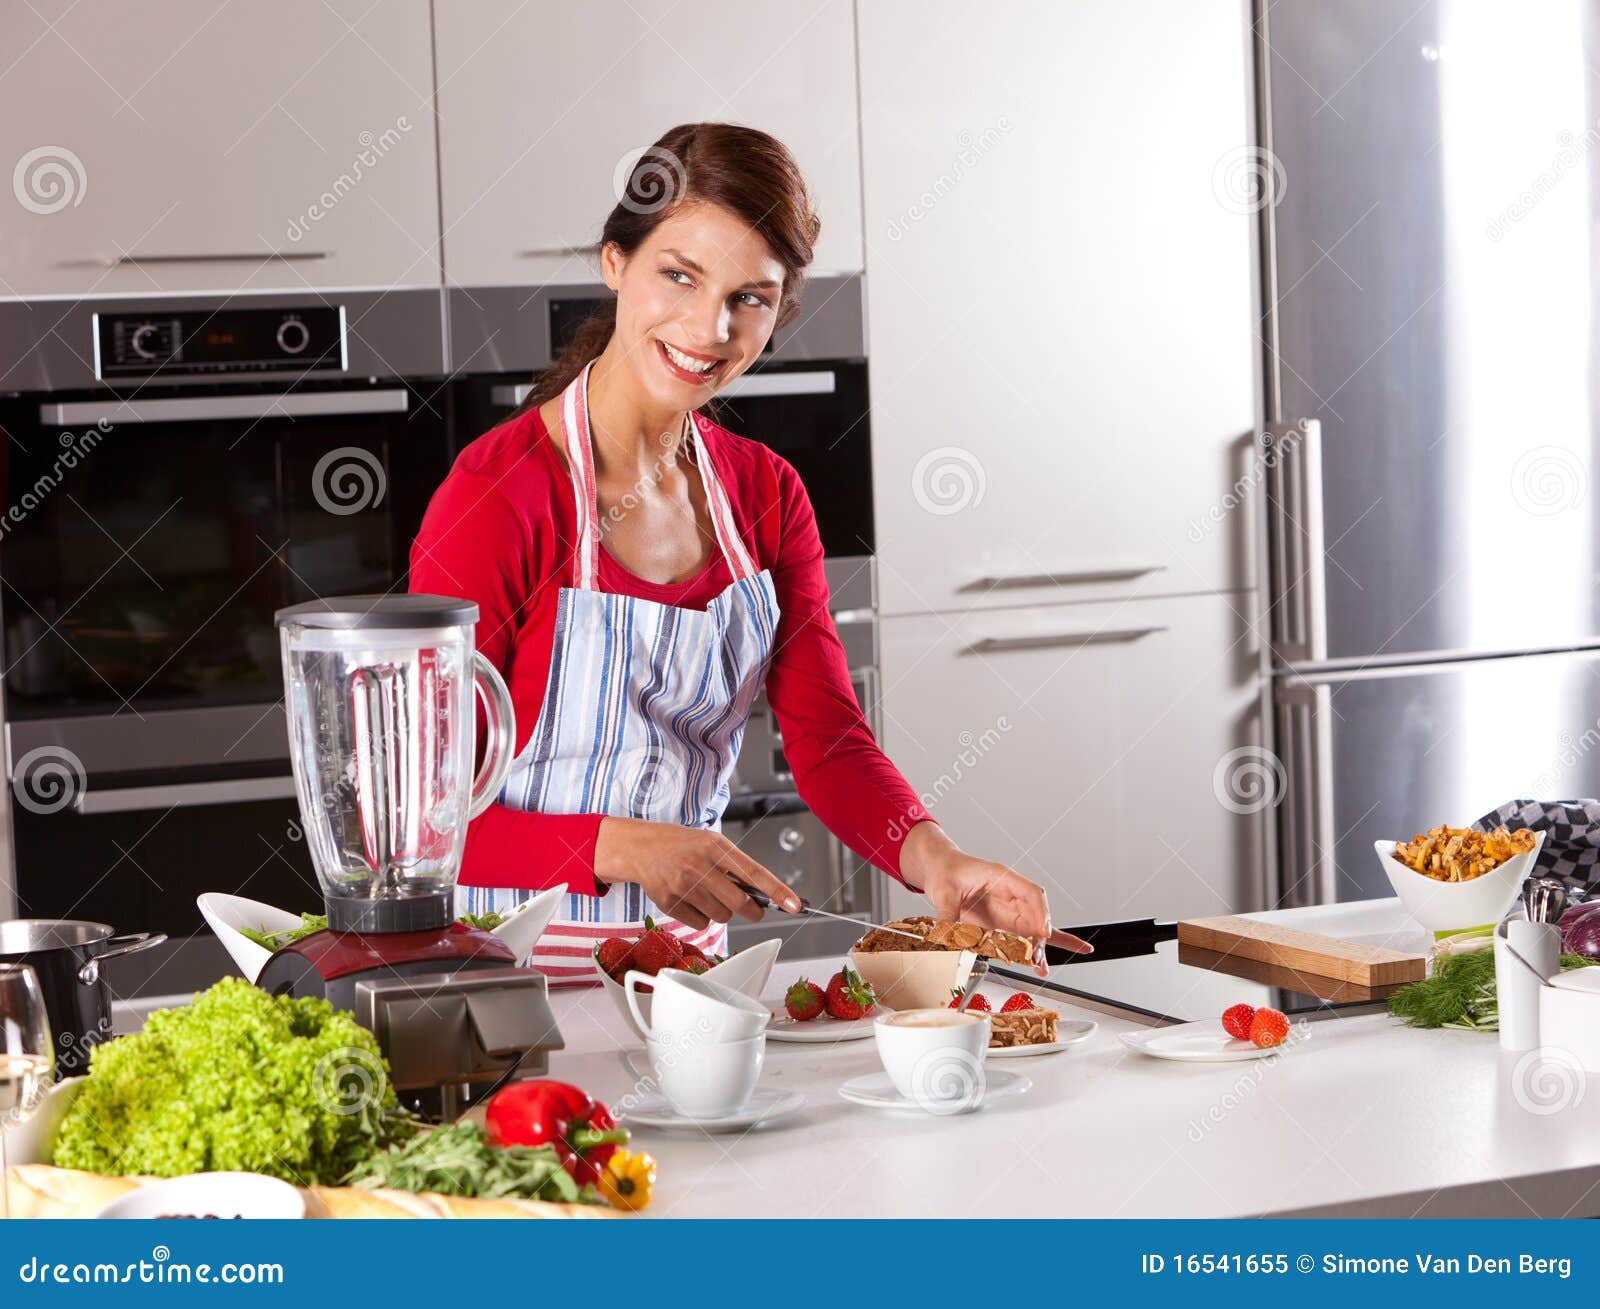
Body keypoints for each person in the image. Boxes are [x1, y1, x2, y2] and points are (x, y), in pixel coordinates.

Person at [410, 123, 1089, 983]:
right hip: (499, 987)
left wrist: (936, 860)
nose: (710, 326)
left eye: (751, 297)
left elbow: (828, 739)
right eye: (679, 276)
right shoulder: (495, 497)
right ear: (616, 261)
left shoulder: (765, 496)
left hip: (686, 990)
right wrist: (622, 847)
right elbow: (422, 823)